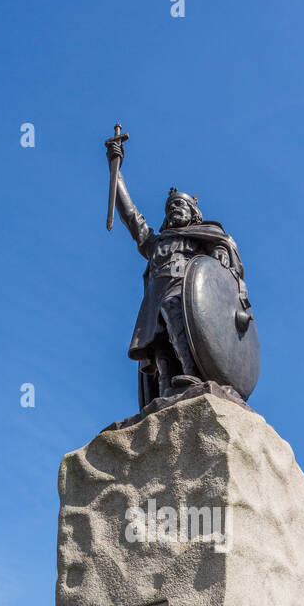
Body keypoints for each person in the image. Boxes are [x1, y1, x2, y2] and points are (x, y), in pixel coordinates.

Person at [106, 133, 250, 406]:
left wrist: (221, 259)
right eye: (171, 207)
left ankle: (192, 374)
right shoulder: (155, 242)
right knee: (158, 345)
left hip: (186, 294)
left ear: (193, 212)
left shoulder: (202, 236)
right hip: (154, 297)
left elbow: (221, 265)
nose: (175, 210)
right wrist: (116, 170)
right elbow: (130, 215)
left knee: (174, 313)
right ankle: (167, 389)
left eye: (180, 205)